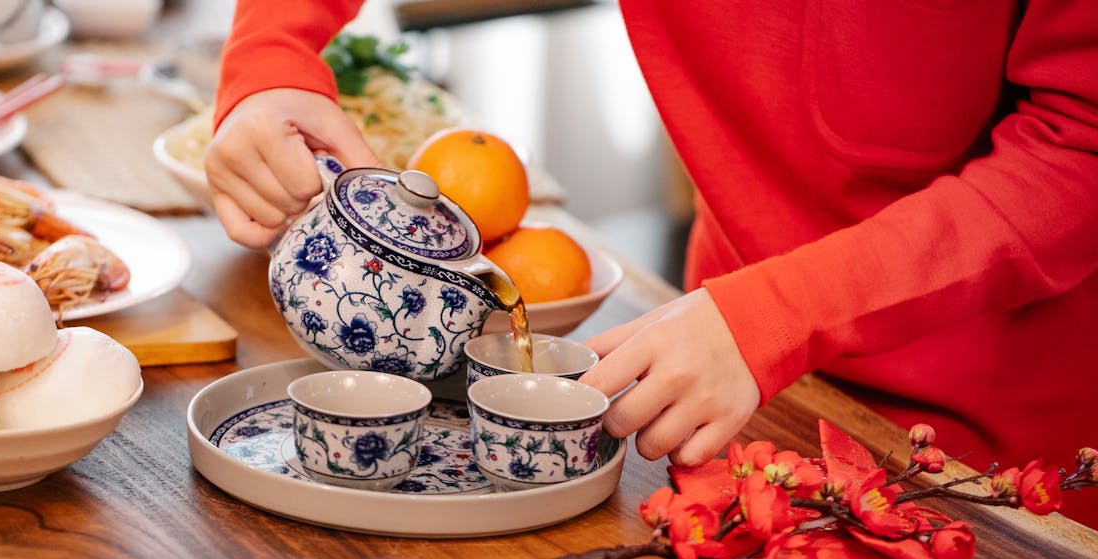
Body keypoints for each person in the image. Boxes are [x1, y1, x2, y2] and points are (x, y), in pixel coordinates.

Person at [207, 1, 1098, 527]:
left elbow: (1081, 149)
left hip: (990, 456)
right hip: (720, 387)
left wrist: (780, 312)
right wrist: (271, 53)